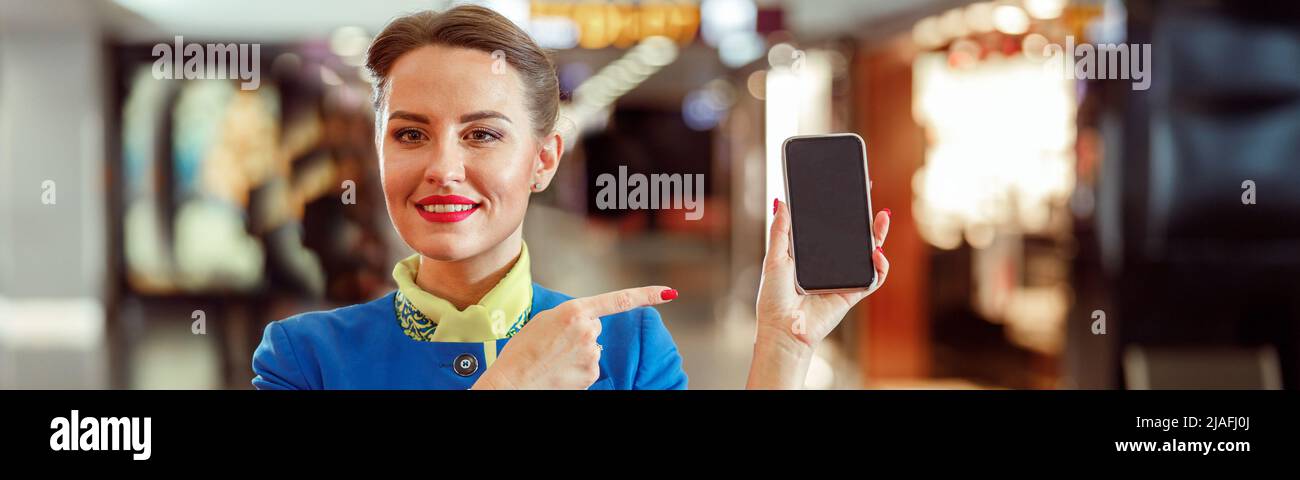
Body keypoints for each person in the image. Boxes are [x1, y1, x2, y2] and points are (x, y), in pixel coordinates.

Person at [251, 5, 891, 390]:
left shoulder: (628, 344)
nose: (443, 168)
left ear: (544, 159)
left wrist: (784, 345)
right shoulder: (304, 358)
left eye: (482, 134)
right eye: (412, 133)